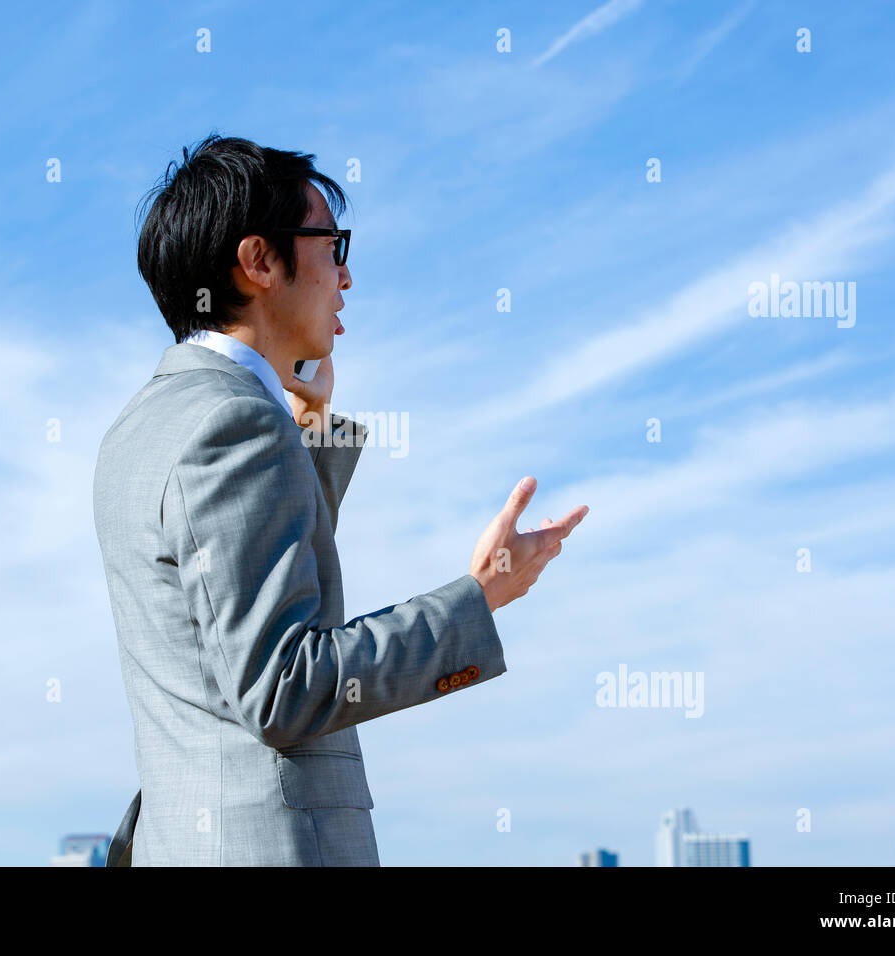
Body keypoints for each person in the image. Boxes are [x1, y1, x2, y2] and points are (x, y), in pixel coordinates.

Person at [93, 133, 588, 866]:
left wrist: (310, 432)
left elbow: (232, 611)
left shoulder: (138, 428)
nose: (346, 274)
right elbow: (281, 686)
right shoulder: (235, 420)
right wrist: (482, 595)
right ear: (260, 260)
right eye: (331, 242)